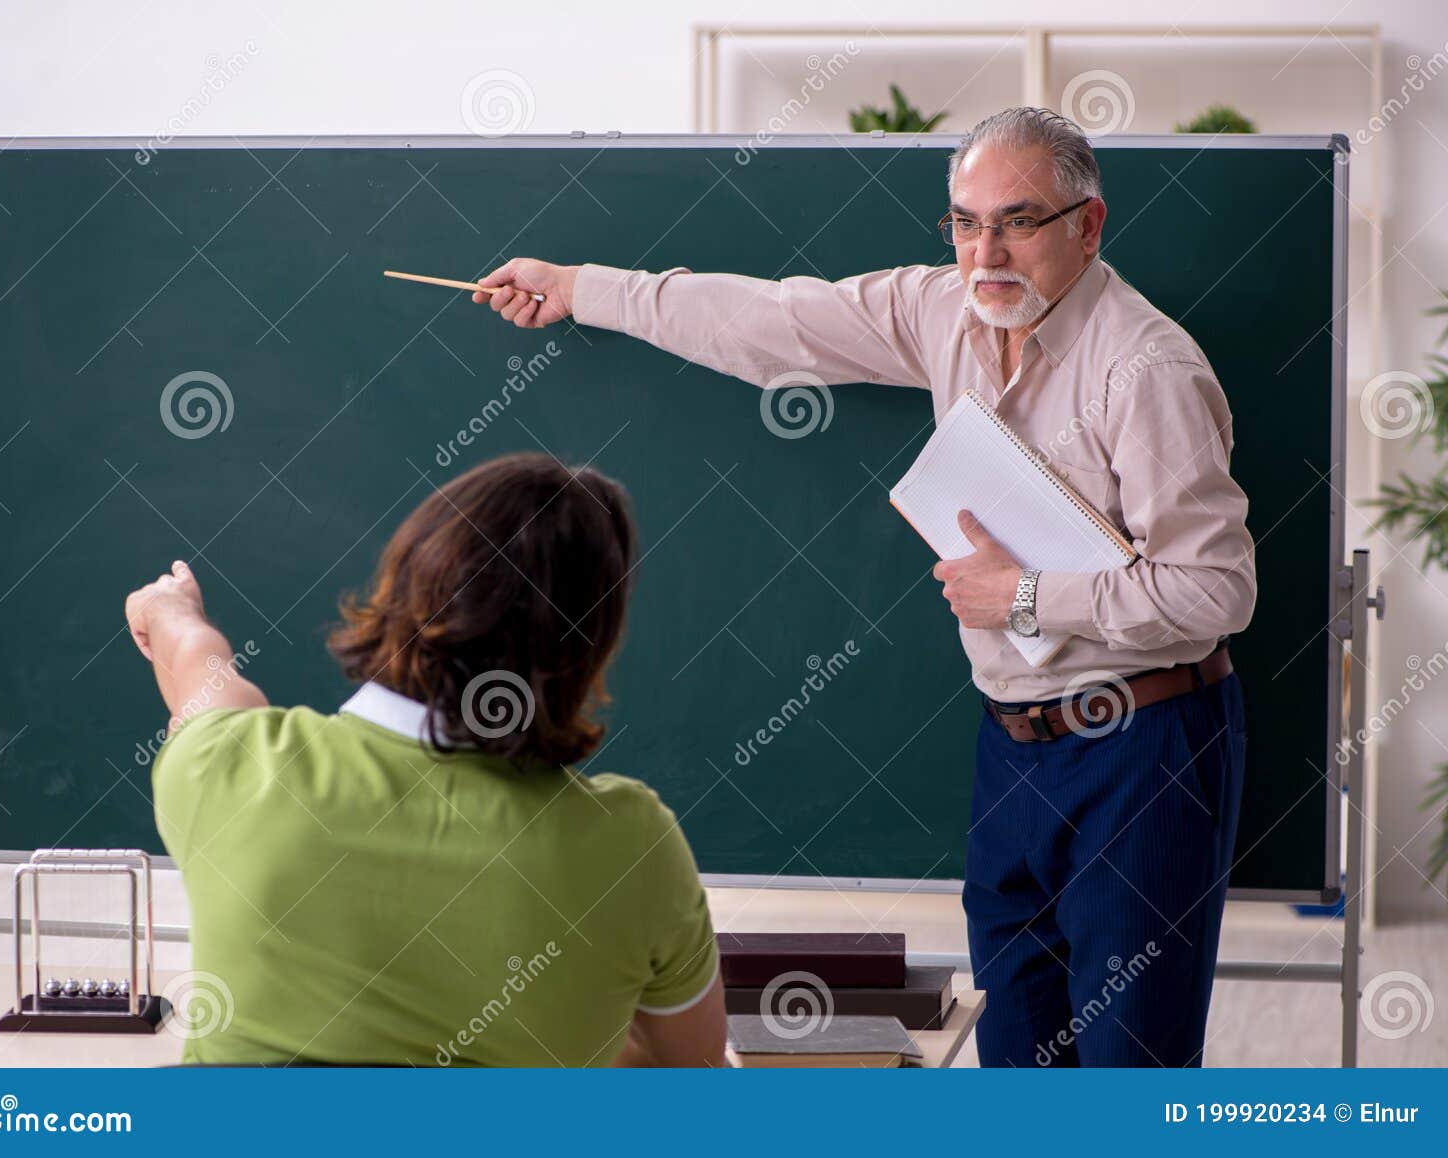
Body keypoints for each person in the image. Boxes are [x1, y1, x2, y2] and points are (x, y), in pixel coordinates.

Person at [472, 107, 1255, 1067]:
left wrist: (1022, 598)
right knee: (1017, 1054)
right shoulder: (943, 311)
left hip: (1145, 745)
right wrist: (578, 288)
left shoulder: (1148, 370)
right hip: (1012, 745)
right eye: (965, 223)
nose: (987, 252)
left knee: (1127, 1068)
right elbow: (770, 322)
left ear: (1088, 227)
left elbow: (1216, 591)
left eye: (1018, 221)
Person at [126, 453, 727, 1066]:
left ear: (399, 588)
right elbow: (691, 1078)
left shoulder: (230, 770)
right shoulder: (632, 850)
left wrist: (169, 611)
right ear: (589, 649)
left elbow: (202, 668)